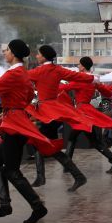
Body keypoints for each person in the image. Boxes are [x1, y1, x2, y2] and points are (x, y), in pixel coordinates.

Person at [0, 39, 60, 223]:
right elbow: (29, 94)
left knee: (11, 170)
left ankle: (37, 206)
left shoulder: (14, 73)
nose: (5, 53)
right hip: (17, 121)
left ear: (13, 53)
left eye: (6, 51)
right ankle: (5, 203)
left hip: (14, 123)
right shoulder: (23, 73)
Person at [25, 44, 92, 191]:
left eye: (38, 54)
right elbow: (77, 76)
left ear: (43, 56)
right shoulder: (58, 69)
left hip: (47, 112)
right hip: (55, 111)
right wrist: (92, 78)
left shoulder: (38, 71)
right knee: (45, 144)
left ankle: (73, 176)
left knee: (44, 144)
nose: (36, 56)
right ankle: (43, 177)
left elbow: (20, 77)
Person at [59, 56, 112, 174]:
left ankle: (67, 165)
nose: (78, 66)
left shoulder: (80, 80)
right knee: (93, 141)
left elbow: (65, 87)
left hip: (82, 112)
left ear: (82, 66)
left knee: (73, 138)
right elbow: (105, 90)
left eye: (79, 64)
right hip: (87, 111)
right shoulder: (94, 79)